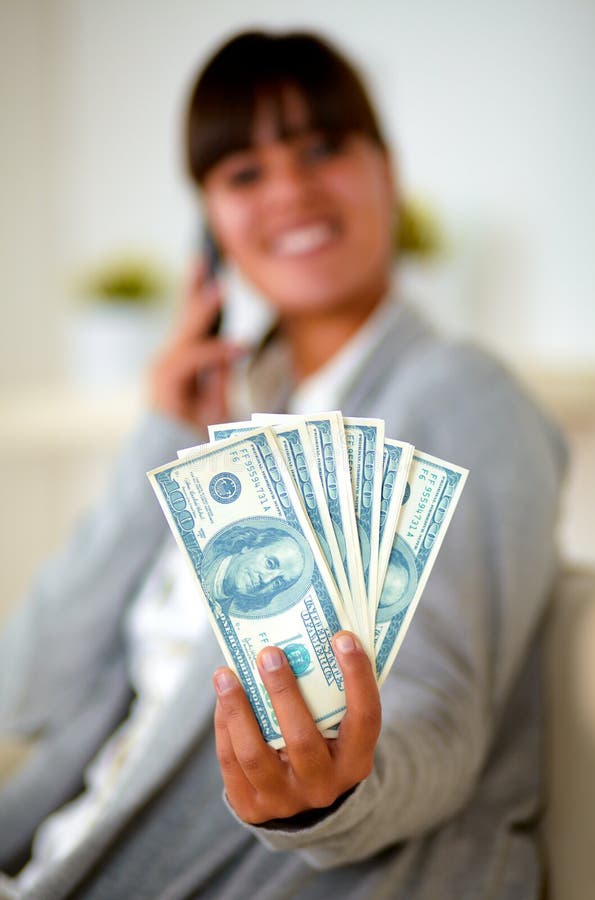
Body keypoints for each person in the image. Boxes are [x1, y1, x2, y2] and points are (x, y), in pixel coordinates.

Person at [0, 29, 566, 900]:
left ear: (389, 172)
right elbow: (29, 690)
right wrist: (160, 434)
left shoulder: (459, 397)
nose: (292, 193)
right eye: (244, 174)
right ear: (209, 227)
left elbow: (440, 709)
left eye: (324, 150)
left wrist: (327, 799)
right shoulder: (217, 418)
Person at [200, 522, 306, 613]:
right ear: (249, 547)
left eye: (277, 583)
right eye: (270, 564)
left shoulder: (220, 617)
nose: (266, 580)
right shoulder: (200, 555)